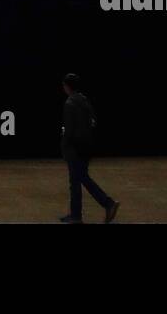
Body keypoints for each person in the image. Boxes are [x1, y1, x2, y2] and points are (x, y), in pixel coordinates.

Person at [59, 73, 118, 224]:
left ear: (67, 86)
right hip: (87, 147)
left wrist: (65, 144)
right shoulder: (84, 100)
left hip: (75, 149)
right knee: (79, 179)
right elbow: (93, 121)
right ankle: (76, 214)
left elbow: (70, 131)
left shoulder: (69, 103)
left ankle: (106, 203)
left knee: (78, 180)